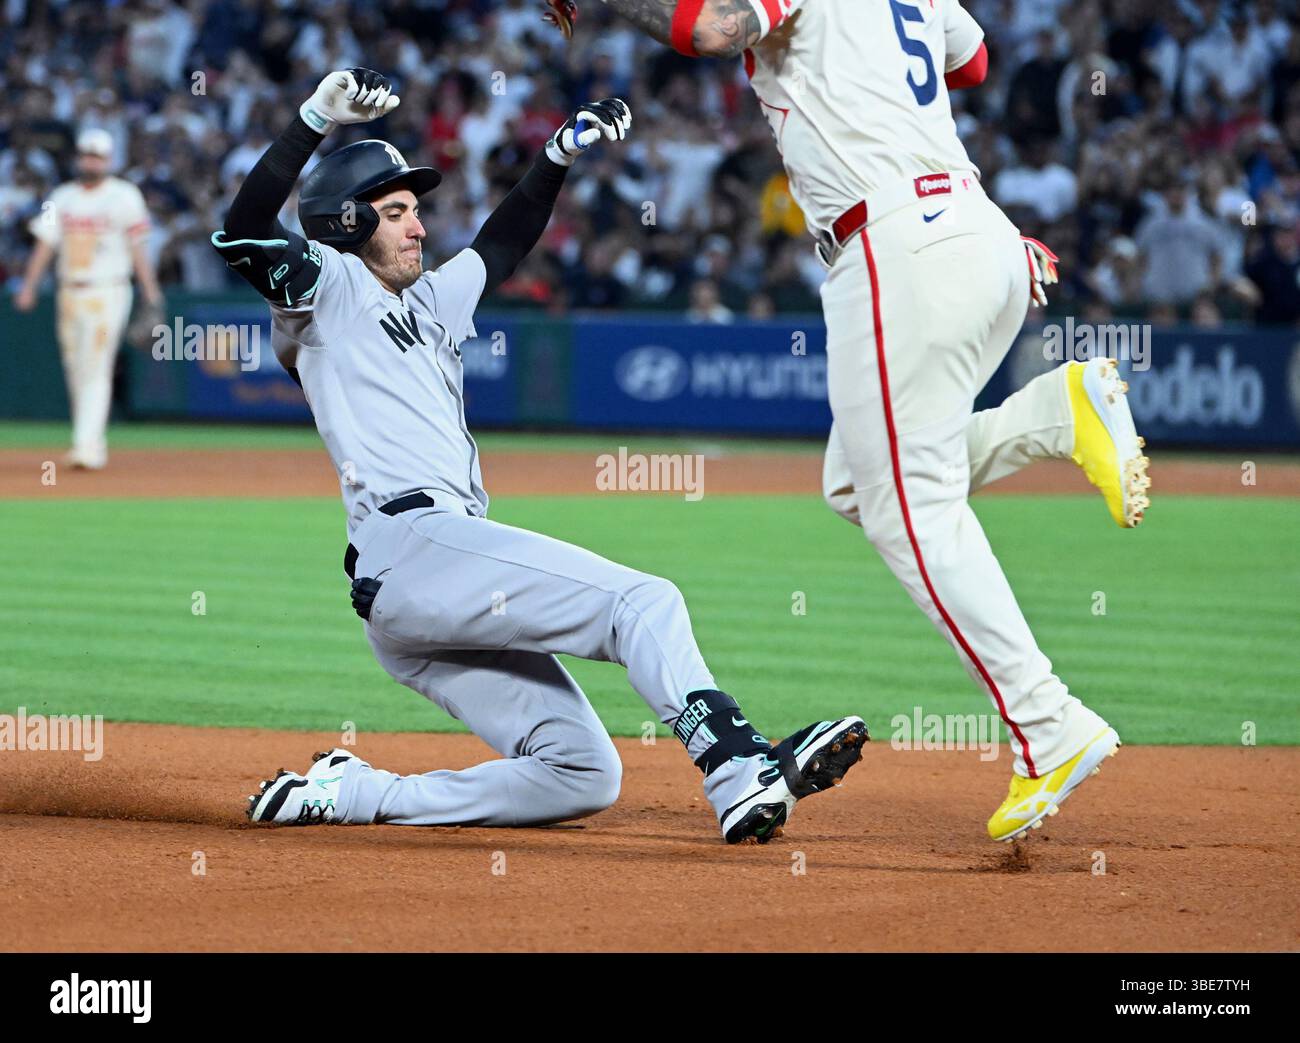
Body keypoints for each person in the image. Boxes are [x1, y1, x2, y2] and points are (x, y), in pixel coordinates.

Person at [219, 68, 867, 843]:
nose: (418, 226)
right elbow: (243, 227)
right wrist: (317, 116)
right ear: (346, 225)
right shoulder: (331, 289)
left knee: (583, 771)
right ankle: (736, 767)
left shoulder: (429, 300)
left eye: (416, 210)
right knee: (642, 602)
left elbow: (503, 239)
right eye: (395, 213)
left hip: (426, 583)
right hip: (413, 544)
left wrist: (556, 155)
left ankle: (355, 791)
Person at [588, 0, 1147, 840]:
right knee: (858, 480)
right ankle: (1054, 413)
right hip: (971, 229)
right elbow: (975, 63)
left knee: (909, 504)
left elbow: (712, 31)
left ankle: (1047, 721)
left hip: (894, 242)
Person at [13, 128, 164, 470]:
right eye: (86, 154)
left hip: (108, 288)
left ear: (109, 160)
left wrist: (151, 292)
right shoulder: (61, 196)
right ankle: (86, 441)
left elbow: (137, 249)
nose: (90, 161)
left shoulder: (124, 195)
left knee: (96, 365)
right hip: (69, 290)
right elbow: (45, 245)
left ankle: (88, 447)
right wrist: (29, 287)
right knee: (75, 367)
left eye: (97, 156)